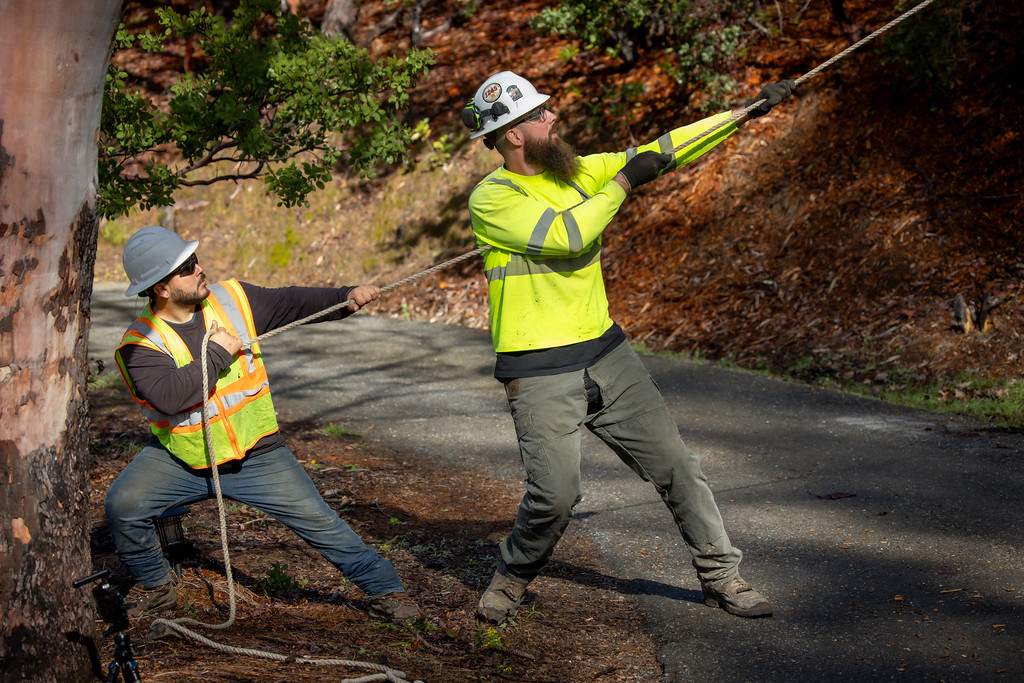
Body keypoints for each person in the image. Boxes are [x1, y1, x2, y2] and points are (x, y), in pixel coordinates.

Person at [461, 71, 795, 622]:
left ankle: (722, 576)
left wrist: (744, 113)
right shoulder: (493, 199)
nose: (553, 118)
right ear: (514, 135)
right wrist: (623, 184)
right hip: (540, 370)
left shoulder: (577, 172)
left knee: (679, 468)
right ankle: (512, 577)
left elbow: (663, 151)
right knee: (555, 497)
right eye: (540, 114)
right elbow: (569, 235)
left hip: (608, 356)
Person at [105, 225, 421, 623]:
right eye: (186, 267)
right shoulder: (140, 343)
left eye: (195, 260)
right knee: (124, 504)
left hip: (258, 454)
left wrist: (345, 297)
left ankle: (386, 590)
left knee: (321, 523)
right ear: (161, 289)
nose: (199, 268)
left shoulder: (231, 298)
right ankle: (156, 585)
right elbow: (170, 397)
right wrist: (220, 351)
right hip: (183, 460)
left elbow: (290, 302)